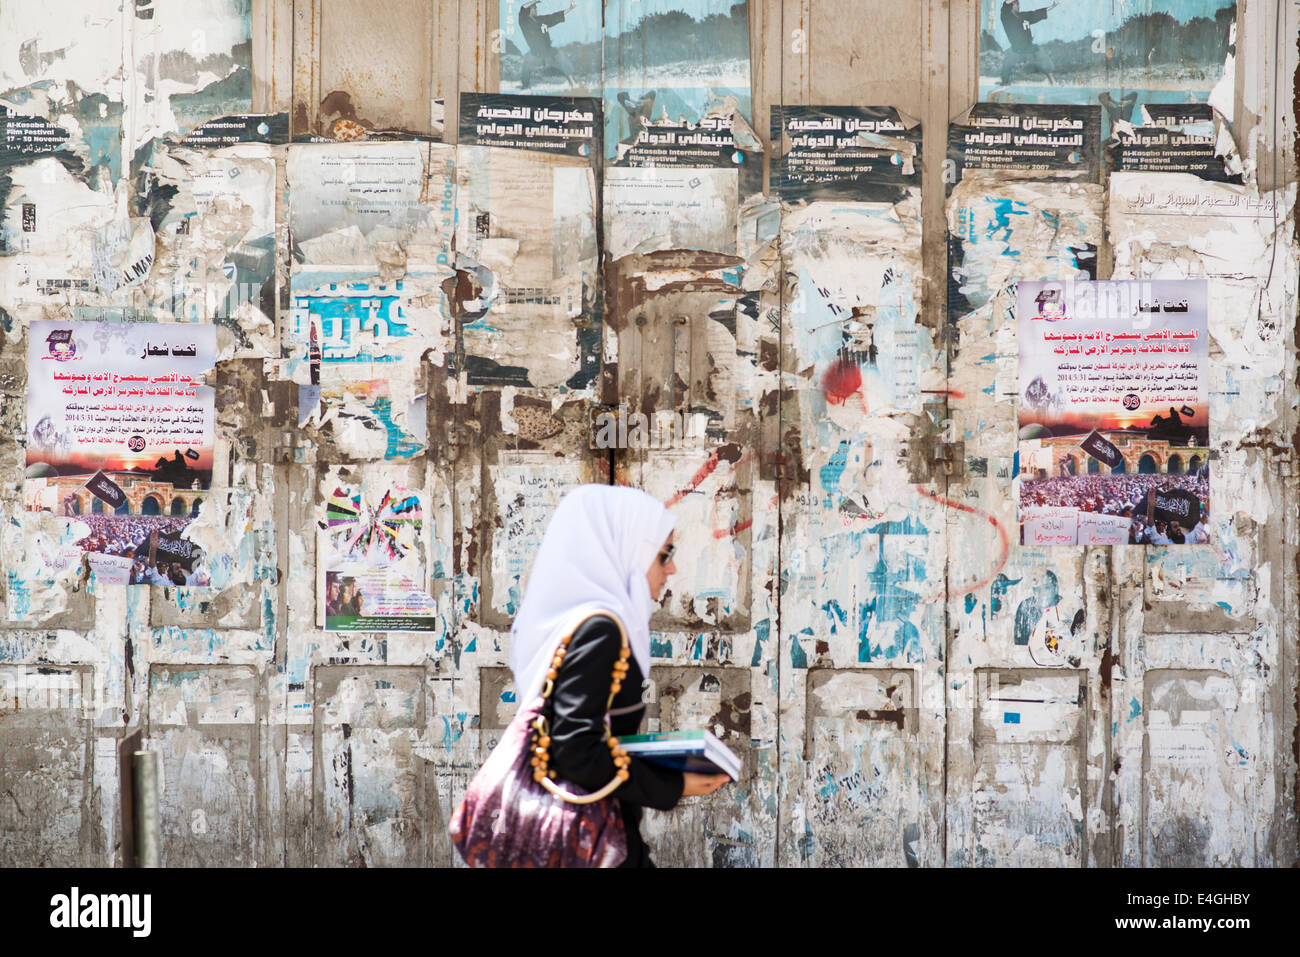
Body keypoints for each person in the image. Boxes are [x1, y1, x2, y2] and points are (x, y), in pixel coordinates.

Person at [508, 484, 730, 867]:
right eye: (664, 555)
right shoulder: (600, 630)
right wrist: (673, 785)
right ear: (626, 551)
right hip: (593, 838)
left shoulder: (570, 622)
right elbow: (577, 749)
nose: (672, 569)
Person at [518, 0, 578, 89]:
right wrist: (535, 1)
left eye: (536, 8)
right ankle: (525, 86)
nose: (536, 10)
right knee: (527, 64)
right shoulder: (524, 22)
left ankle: (572, 82)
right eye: (534, 8)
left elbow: (554, 16)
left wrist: (570, 8)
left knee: (561, 57)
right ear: (529, 10)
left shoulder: (541, 20)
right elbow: (523, 7)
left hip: (548, 49)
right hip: (535, 52)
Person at [999, 0, 1058, 85]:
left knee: (1043, 58)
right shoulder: (1006, 17)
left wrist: (1053, 6)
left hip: (1029, 47)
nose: (1018, 6)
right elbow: (1006, 3)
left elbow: (1037, 13)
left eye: (1019, 4)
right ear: (1012, 5)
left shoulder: (1024, 16)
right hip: (1016, 48)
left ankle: (1052, 81)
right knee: (1007, 64)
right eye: (1016, 4)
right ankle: (1004, 82)